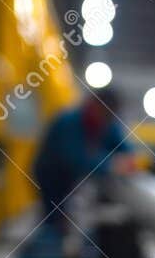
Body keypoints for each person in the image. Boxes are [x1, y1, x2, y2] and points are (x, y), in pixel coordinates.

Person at [31, 87, 130, 226]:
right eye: (105, 113)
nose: (107, 118)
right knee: (55, 217)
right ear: (94, 105)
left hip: (71, 178)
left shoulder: (107, 122)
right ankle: (53, 239)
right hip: (51, 177)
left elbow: (123, 148)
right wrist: (111, 164)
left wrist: (131, 160)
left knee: (68, 215)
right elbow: (75, 159)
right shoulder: (69, 122)